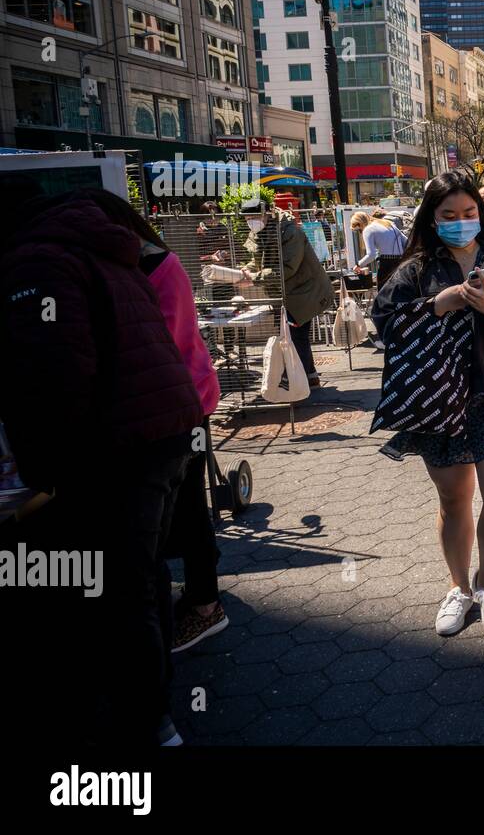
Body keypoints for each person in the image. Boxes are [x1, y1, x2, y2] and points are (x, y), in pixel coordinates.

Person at [0, 186, 203, 747]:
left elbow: (55, 374)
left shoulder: (38, 259)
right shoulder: (95, 248)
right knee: (140, 577)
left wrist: (44, 475)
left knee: (120, 589)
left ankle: (147, 720)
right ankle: (151, 703)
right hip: (160, 431)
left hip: (122, 444)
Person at [371, 172, 484, 637]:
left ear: (481, 214)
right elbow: (384, 325)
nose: (460, 222)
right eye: (448, 215)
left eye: (469, 213)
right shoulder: (413, 271)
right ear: (432, 219)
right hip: (438, 401)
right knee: (454, 500)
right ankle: (458, 589)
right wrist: (439, 303)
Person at [82, 193, 228, 653]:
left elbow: (153, 342)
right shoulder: (153, 260)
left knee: (183, 511)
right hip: (186, 400)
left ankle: (203, 607)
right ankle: (202, 602)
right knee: (188, 507)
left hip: (175, 406)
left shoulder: (143, 267)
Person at [240, 197, 333, 387]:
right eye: (247, 217)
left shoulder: (288, 231)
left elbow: (287, 267)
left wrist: (255, 277)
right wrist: (245, 271)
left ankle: (295, 381)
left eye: (253, 216)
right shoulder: (262, 232)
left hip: (303, 292)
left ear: (267, 213)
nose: (250, 221)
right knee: (295, 335)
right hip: (289, 293)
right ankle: (309, 377)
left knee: (295, 335)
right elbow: (257, 260)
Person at [352, 208, 408, 290]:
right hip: (400, 262)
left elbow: (371, 255)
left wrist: (358, 265)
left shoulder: (368, 229)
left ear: (359, 224)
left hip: (386, 264)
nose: (360, 232)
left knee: (383, 295)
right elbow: (406, 241)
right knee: (399, 293)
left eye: (359, 230)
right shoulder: (388, 224)